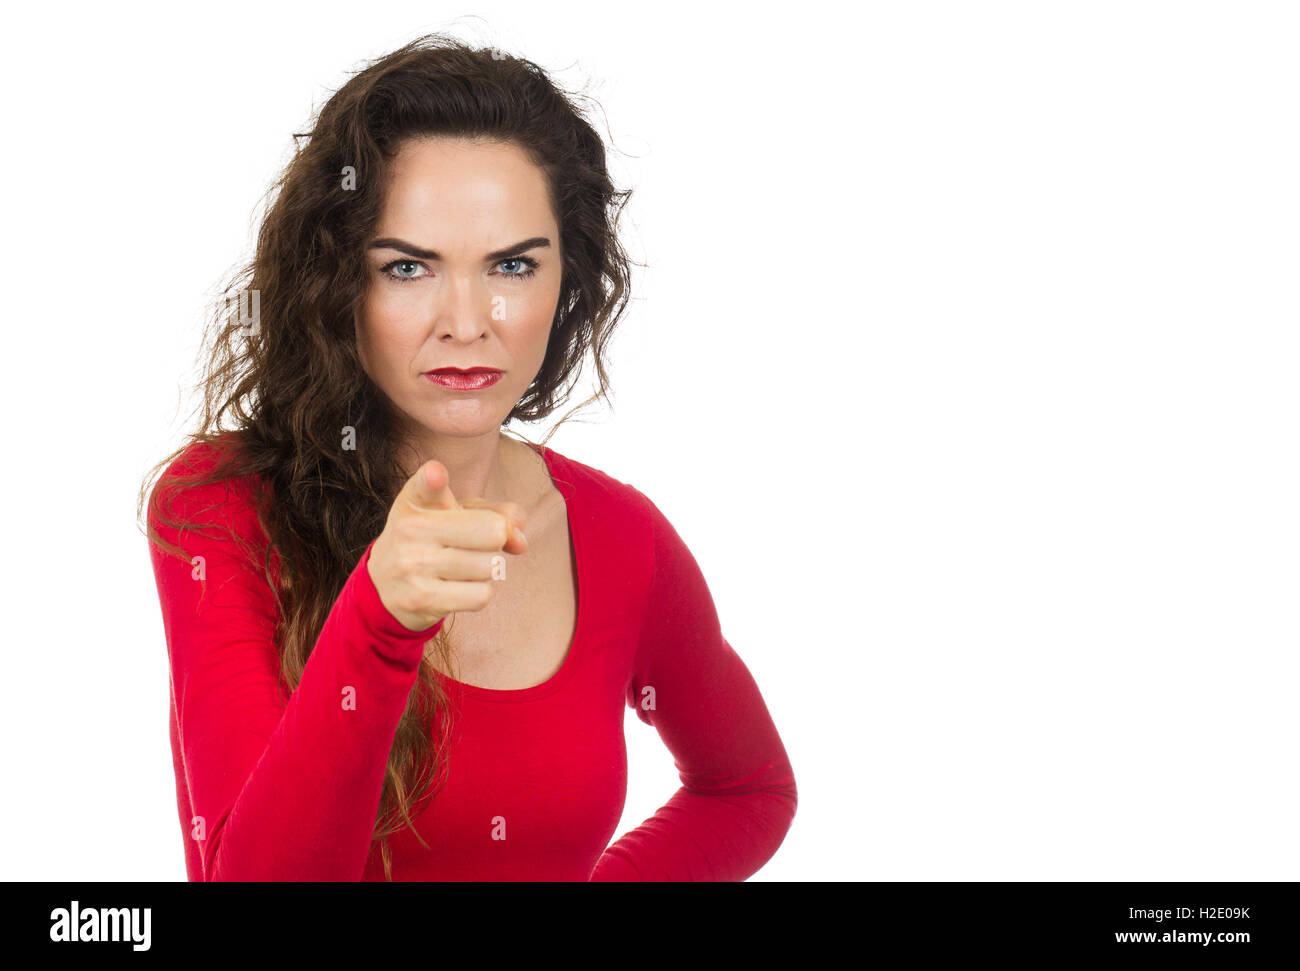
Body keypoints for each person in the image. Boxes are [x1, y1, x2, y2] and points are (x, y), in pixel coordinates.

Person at [139, 33, 796, 881]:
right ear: (338, 279)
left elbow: (747, 788)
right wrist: (378, 617)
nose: (467, 319)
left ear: (570, 280)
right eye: (409, 267)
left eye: (512, 265)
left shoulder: (620, 536)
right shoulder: (223, 505)